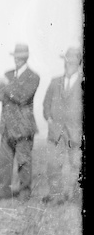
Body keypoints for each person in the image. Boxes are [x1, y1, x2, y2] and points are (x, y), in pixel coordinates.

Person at [0, 43, 40, 201]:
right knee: (3, 162)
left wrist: (7, 86)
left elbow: (23, 97)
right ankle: (3, 194)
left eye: (20, 57)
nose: (17, 60)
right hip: (7, 127)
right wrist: (10, 90)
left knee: (24, 162)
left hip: (23, 128)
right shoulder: (9, 74)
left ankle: (24, 194)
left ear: (25, 58)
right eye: (16, 57)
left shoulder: (33, 77)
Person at [42, 46, 82, 203]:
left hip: (76, 132)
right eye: (67, 60)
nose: (69, 63)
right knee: (53, 165)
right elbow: (46, 103)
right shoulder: (55, 82)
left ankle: (75, 196)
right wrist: (49, 118)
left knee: (76, 165)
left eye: (73, 60)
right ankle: (55, 196)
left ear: (79, 62)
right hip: (56, 131)